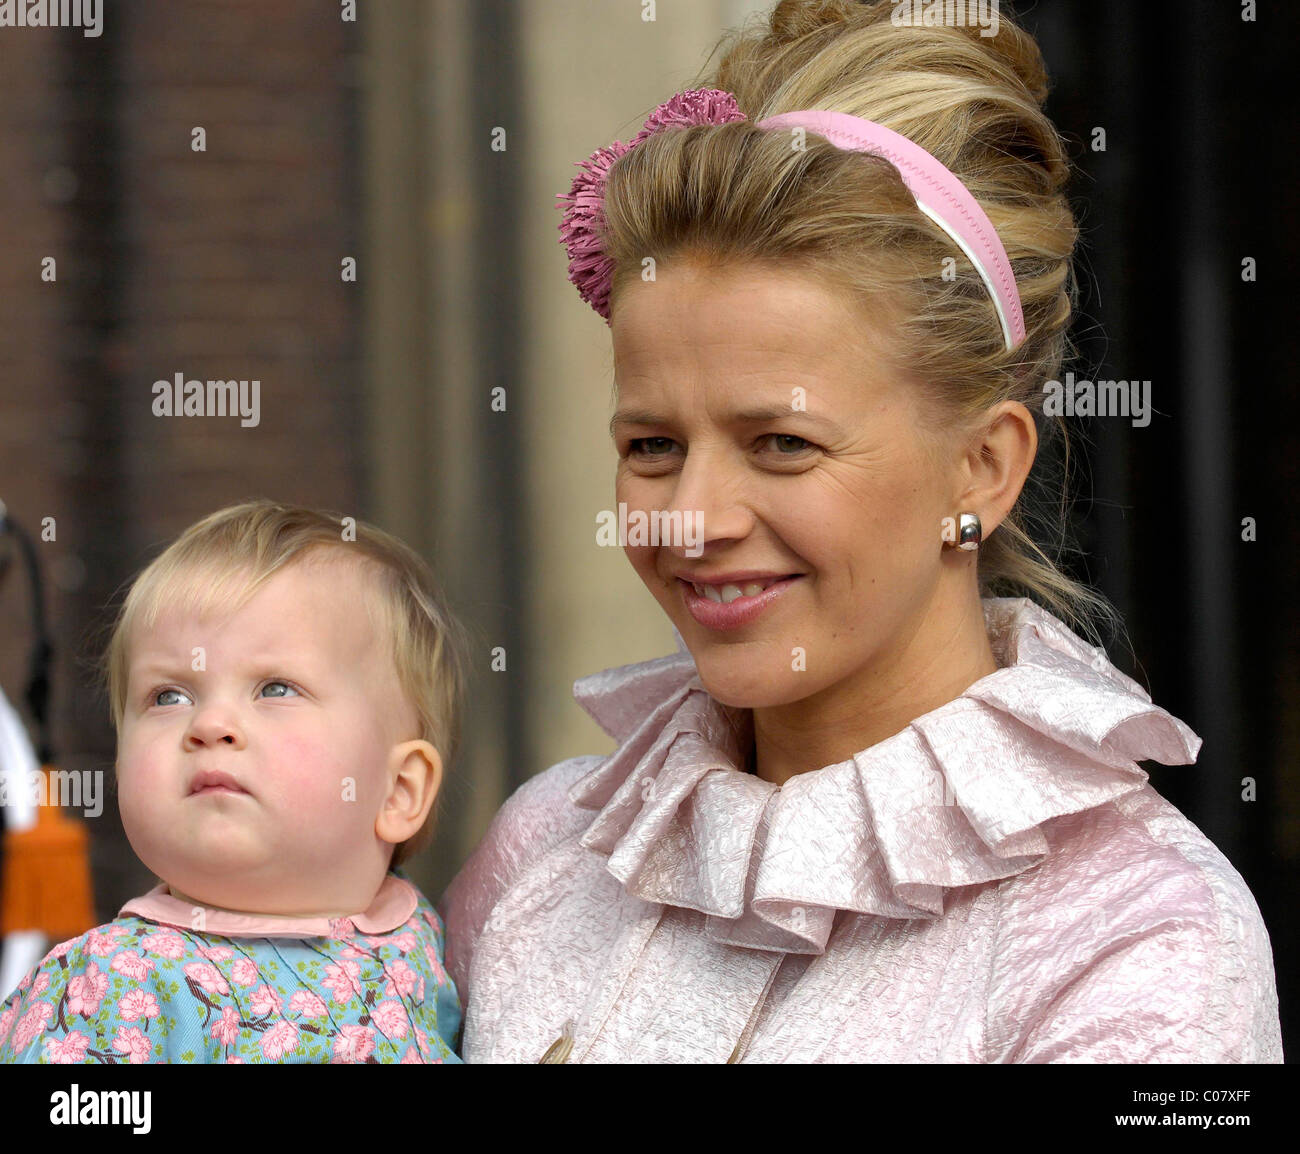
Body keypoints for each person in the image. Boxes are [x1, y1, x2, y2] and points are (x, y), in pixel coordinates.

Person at [438, 0, 1283, 1062]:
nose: (693, 516)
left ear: (982, 465)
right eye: (652, 444)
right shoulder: (543, 851)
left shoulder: (1135, 935)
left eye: (782, 442)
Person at [0, 500, 468, 1063]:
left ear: (398, 791)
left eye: (275, 688)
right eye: (168, 696)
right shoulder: (106, 987)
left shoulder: (422, 937)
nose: (210, 724)